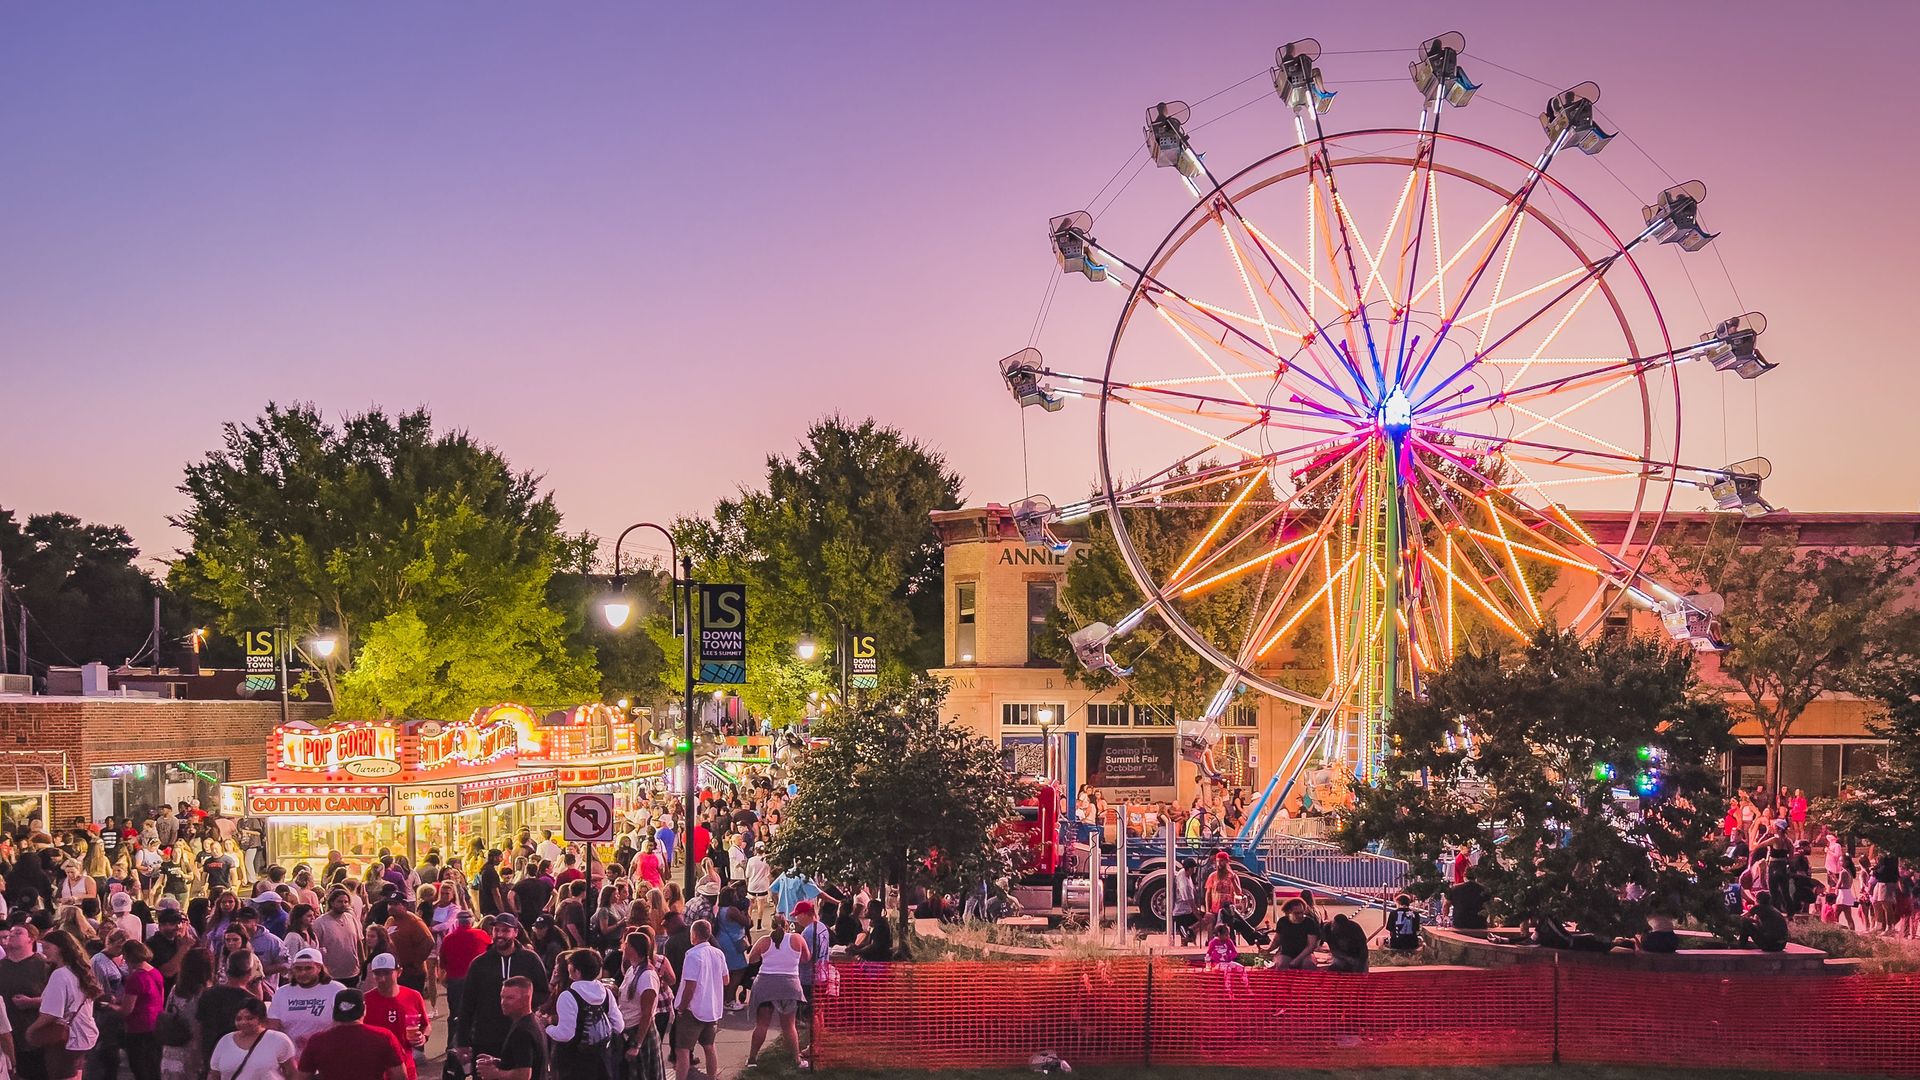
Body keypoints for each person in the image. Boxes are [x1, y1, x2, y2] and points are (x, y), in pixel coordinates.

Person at [455, 916, 546, 1060]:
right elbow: (467, 1003)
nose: (500, 935)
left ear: (515, 932)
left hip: (521, 1035)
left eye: (505, 930)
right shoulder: (480, 963)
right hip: (486, 1037)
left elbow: (543, 993)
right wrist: (462, 1041)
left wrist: (523, 1004)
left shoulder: (530, 960)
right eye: (496, 930)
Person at [31, 930, 100, 1080]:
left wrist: (32, 1030)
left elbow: (52, 1013)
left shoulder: (60, 974)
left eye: (47, 947)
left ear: (60, 948)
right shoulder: (78, 971)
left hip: (66, 1039)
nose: (44, 951)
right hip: (84, 1034)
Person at [543, 949, 620, 1080]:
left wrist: (547, 1027)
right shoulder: (606, 993)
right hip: (601, 1059)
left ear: (576, 971)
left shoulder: (568, 996)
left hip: (573, 1062)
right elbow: (618, 1025)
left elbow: (565, 1034)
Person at [743, 914, 807, 1071]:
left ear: (771, 925)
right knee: (789, 1026)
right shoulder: (797, 939)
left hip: (765, 985)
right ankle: (797, 1059)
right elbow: (806, 957)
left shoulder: (764, 941)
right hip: (789, 985)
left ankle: (752, 1059)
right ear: (787, 925)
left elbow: (751, 960)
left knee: (762, 1024)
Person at [293, 990, 405, 1080]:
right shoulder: (384, 1036)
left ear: (334, 1010)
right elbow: (399, 1075)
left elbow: (302, 1077)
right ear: (364, 1009)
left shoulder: (317, 1040)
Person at [670, 922, 724, 1080]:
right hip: (712, 1008)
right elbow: (726, 979)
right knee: (709, 1046)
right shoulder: (718, 953)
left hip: (693, 1009)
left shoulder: (692, 955)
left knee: (683, 1050)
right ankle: (712, 1076)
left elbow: (690, 986)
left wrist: (681, 1007)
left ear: (694, 935)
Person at [360, 957, 425, 1080]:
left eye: (387, 973)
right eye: (377, 974)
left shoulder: (413, 996)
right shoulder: (365, 1001)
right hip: (375, 1069)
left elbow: (425, 1025)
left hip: (406, 1065)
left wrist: (423, 1037)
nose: (382, 978)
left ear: (399, 972)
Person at [0, 923, 50, 1080]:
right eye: (11, 933)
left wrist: (33, 1002)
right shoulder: (2, 966)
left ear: (31, 939)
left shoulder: (43, 965)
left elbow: (58, 1001)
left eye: (18, 933)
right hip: (6, 1038)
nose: (12, 935)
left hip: (33, 1037)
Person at [265, 951, 338, 1058]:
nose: (303, 973)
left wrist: (316, 1040)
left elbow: (344, 1026)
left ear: (319, 968)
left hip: (325, 1056)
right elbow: (273, 1027)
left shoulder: (336, 990)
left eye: (308, 968)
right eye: (298, 969)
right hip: (291, 1057)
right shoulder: (282, 992)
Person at [196, 953, 262, 1071]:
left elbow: (199, 1027)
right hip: (239, 1059)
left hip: (210, 1054)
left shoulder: (207, 994)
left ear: (227, 971)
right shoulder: (251, 1000)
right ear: (249, 973)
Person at [435, 912, 488, 1048]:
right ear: (470, 921)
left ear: (457, 922)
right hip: (477, 981)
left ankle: (452, 1045)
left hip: (456, 981)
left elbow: (443, 963)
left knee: (456, 1014)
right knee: (477, 1012)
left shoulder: (449, 938)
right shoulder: (481, 935)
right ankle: (474, 1043)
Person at [471, 978, 542, 1080]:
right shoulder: (533, 1022)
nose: (503, 1002)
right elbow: (526, 1062)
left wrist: (495, 1074)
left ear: (526, 999)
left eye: (510, 998)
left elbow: (524, 1075)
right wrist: (500, 1062)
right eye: (502, 997)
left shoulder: (522, 1031)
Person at [206, 1000, 293, 1080]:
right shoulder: (225, 1041)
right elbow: (214, 1074)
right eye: (239, 1019)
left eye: (249, 1018)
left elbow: (292, 1073)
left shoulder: (279, 1039)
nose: (243, 1022)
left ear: (261, 1019)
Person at [615, 934, 663, 1080]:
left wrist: (637, 1045)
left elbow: (647, 1014)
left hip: (640, 1034)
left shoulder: (647, 976)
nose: (623, 946)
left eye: (626, 944)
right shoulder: (632, 969)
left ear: (633, 949)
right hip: (628, 1031)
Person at [117, 940, 165, 1080]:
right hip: (155, 1024)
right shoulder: (154, 972)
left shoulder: (136, 978)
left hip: (138, 1028)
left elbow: (126, 1010)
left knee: (139, 1067)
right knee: (153, 1066)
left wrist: (111, 1007)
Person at [308, 894, 360, 988]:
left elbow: (359, 941)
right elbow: (314, 948)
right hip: (331, 975)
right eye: (340, 902)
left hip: (352, 972)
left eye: (346, 902)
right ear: (331, 903)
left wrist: (362, 962)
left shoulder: (351, 918)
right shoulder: (320, 923)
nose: (343, 904)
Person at [1267, 899, 1320, 970]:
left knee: (1308, 964)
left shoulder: (1309, 922)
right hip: (1286, 953)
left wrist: (1297, 959)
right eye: (1296, 913)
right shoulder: (1283, 921)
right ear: (1288, 912)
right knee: (1281, 964)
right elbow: (1277, 940)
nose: (1300, 915)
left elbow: (1311, 946)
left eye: (1302, 912)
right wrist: (1268, 950)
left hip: (1305, 953)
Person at [1169, 859, 1199, 946]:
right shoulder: (1185, 886)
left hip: (1187, 910)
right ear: (1189, 869)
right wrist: (1198, 915)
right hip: (1182, 913)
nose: (1194, 871)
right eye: (1193, 869)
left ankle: (1192, 933)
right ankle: (1191, 931)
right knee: (1208, 918)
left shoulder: (1183, 872)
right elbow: (1191, 902)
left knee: (1208, 918)